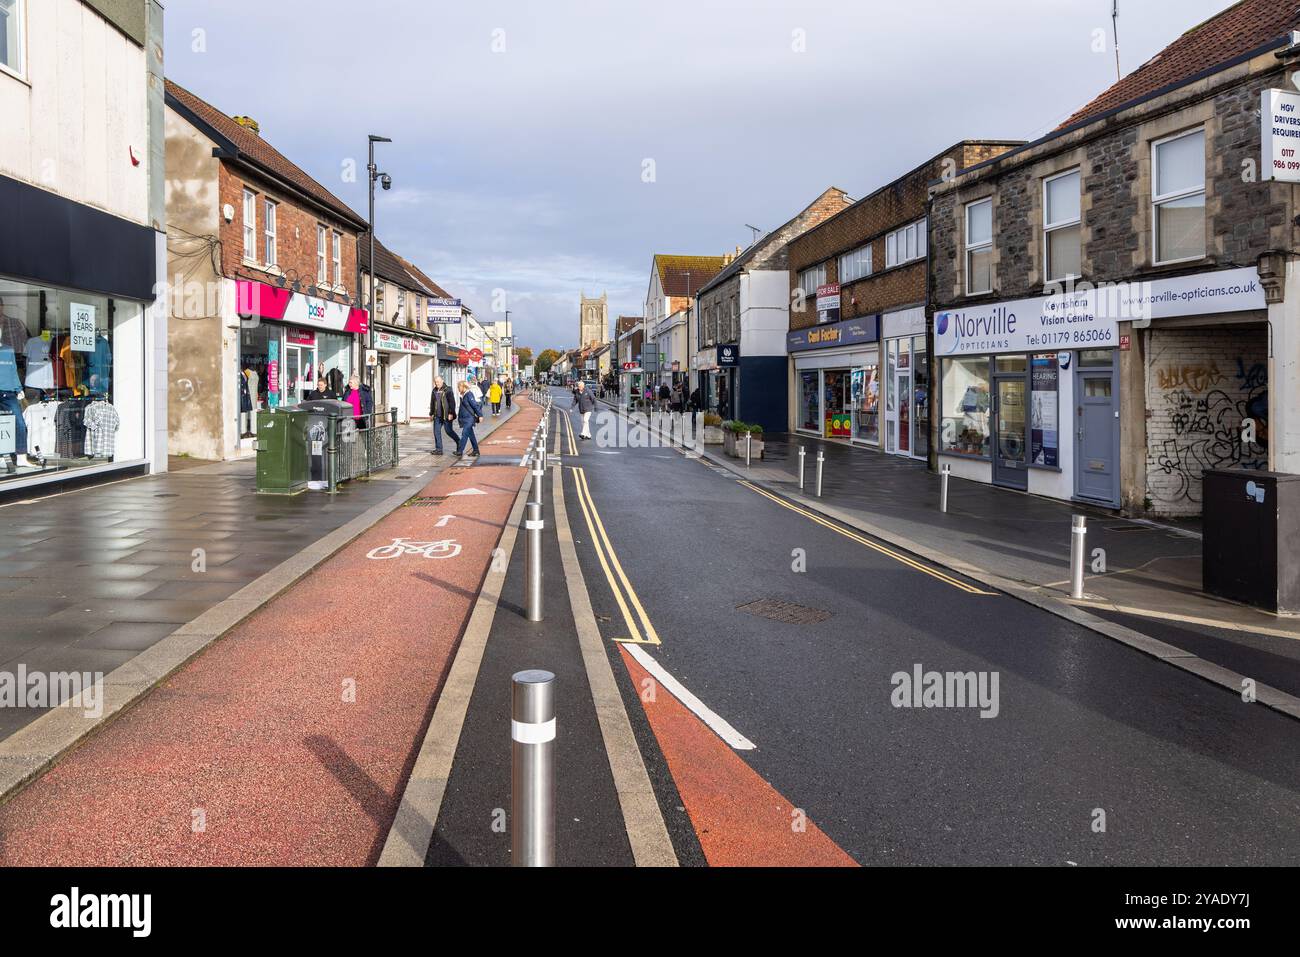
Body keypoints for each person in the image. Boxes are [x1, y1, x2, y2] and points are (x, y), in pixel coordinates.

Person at [429, 375, 460, 456]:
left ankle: (459, 443)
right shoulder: (434, 390)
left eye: (438, 382)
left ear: (442, 381)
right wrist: (431, 413)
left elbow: (452, 403)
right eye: (435, 382)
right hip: (437, 416)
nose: (437, 383)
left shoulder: (448, 390)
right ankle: (439, 449)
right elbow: (432, 403)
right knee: (436, 432)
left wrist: (451, 413)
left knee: (449, 431)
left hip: (446, 415)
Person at [455, 380, 483, 456]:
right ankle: (476, 450)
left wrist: (480, 415)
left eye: (459, 387)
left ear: (463, 387)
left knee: (464, 434)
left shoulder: (469, 394)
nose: (458, 388)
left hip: (469, 419)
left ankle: (460, 451)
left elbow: (475, 405)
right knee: (471, 435)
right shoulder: (463, 395)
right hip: (465, 418)